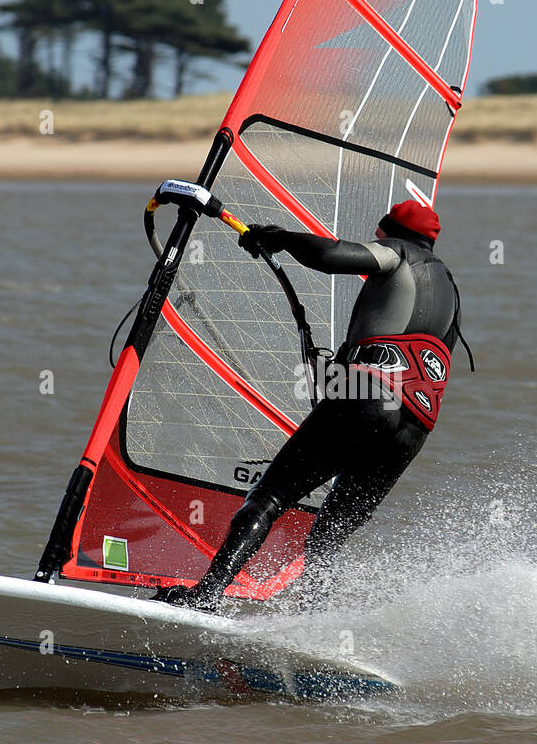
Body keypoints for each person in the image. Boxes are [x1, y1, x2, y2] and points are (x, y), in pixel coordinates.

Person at [153, 200, 473, 611]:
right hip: (414, 427)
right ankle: (315, 620)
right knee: (330, 536)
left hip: (367, 396)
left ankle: (207, 594)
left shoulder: (396, 253)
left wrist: (280, 238)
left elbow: (331, 255)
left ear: (388, 232)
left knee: (268, 499)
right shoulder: (450, 290)